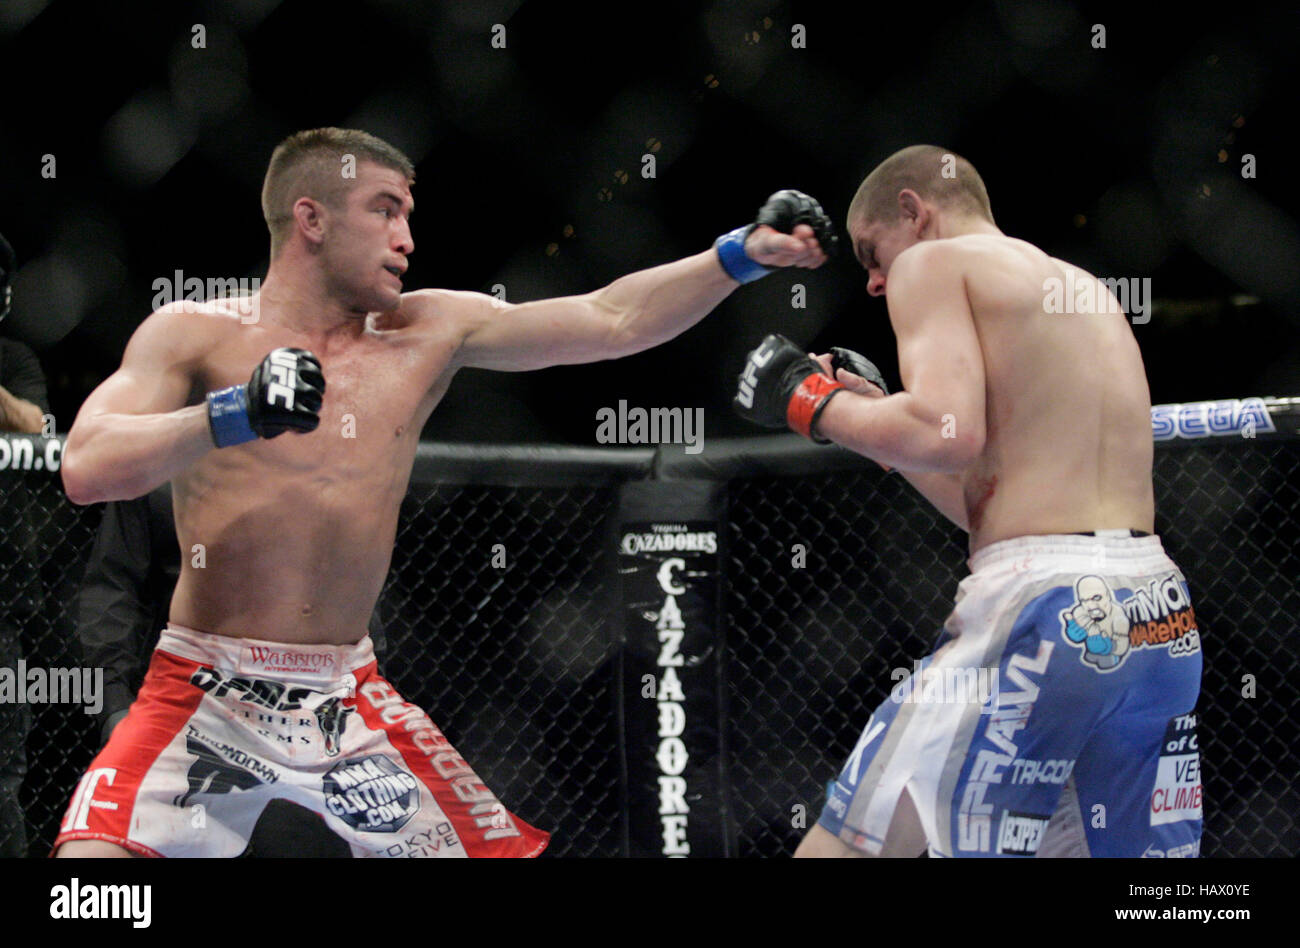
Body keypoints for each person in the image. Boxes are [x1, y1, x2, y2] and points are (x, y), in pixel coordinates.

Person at [53, 127, 833, 857]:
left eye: (409, 215)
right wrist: (234, 413)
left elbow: (612, 319)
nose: (407, 240)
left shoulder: (430, 330)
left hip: (344, 694)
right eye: (385, 211)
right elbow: (87, 467)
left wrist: (738, 256)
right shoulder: (194, 332)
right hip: (205, 684)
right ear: (311, 218)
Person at [734, 145, 1202, 858]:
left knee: (849, 843)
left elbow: (943, 434)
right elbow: (988, 503)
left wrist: (808, 399)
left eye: (872, 253)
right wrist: (876, 420)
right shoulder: (1081, 288)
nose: (874, 281)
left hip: (1041, 608)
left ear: (913, 212)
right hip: (1155, 615)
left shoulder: (931, 263)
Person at [75, 483, 389, 856]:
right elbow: (112, 587)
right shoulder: (162, 468)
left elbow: (358, 604)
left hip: (300, 715)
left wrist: (360, 703)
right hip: (185, 708)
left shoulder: (325, 474)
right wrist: (115, 706)